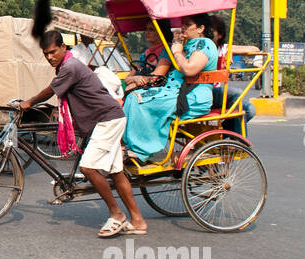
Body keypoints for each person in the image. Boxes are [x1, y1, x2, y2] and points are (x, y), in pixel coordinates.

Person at [19, 30, 145, 237]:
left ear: (63, 48)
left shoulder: (70, 67)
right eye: (46, 54)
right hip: (107, 118)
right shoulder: (65, 66)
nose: (50, 57)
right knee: (115, 172)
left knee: (88, 168)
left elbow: (51, 90)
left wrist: (29, 102)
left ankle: (117, 214)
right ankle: (138, 221)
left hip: (107, 119)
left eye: (52, 52)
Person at [122, 13, 218, 163]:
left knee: (141, 102)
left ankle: (141, 151)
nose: (183, 27)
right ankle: (130, 145)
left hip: (192, 96)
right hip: (171, 91)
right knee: (133, 97)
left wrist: (177, 52)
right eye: (183, 24)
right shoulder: (185, 45)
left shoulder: (204, 44)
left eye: (188, 24)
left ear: (201, 28)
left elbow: (190, 69)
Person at [206, 14, 255, 133]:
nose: (208, 34)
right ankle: (237, 141)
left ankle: (222, 136)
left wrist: (230, 51)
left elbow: (255, 49)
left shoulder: (222, 49)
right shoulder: (201, 47)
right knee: (235, 94)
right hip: (205, 91)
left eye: (211, 31)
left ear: (220, 34)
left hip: (215, 92)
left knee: (249, 109)